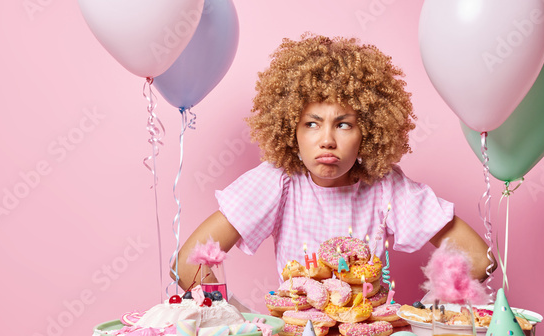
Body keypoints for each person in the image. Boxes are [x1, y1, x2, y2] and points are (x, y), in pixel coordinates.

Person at [174, 34, 494, 301]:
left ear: (367, 131)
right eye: (312, 124)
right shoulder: (278, 182)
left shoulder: (385, 187)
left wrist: (424, 315)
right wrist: (239, 321)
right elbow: (186, 266)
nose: (327, 140)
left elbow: (480, 260)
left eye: (343, 125)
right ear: (291, 131)